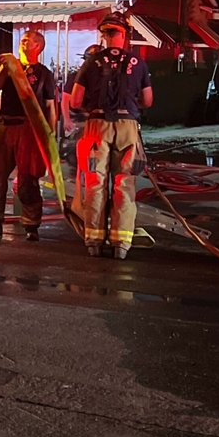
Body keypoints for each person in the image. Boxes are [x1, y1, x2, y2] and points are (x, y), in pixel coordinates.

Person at [70, 14, 152, 259]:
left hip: (97, 126)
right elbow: (148, 100)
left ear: (104, 35)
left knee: (95, 183)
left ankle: (93, 241)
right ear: (124, 35)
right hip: (128, 127)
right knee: (124, 184)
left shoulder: (92, 62)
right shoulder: (138, 63)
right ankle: (121, 245)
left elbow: (75, 100)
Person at [0, 28, 59, 241]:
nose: (22, 44)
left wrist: (48, 136)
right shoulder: (11, 69)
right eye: (22, 41)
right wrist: (6, 71)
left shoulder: (44, 75)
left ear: (37, 46)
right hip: (5, 126)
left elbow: (50, 108)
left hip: (29, 129)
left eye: (26, 41)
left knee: (28, 179)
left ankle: (31, 226)